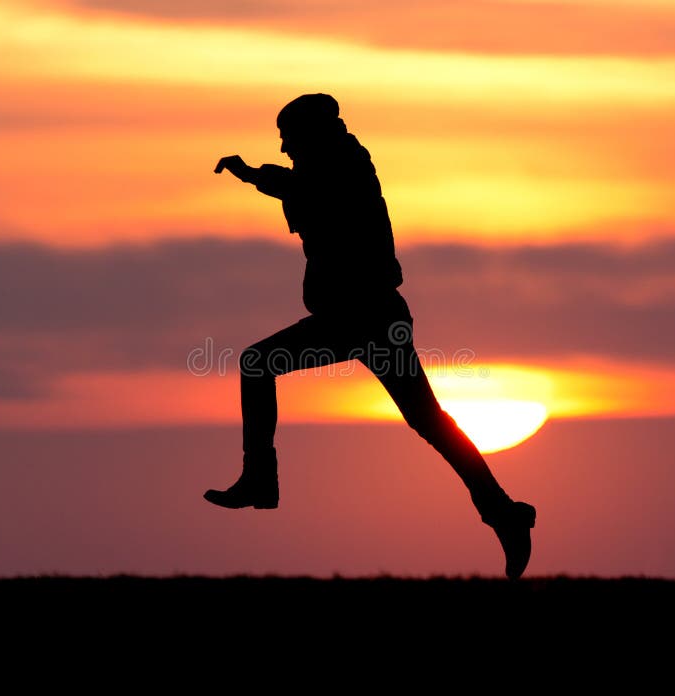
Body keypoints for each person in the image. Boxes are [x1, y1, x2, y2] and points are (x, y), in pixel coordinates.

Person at [206, 93, 536, 580]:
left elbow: (305, 191)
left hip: (365, 317)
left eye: (288, 136)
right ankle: (502, 511)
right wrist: (255, 175)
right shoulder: (329, 165)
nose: (283, 145)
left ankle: (259, 479)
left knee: (260, 364)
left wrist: (255, 174)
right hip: (360, 318)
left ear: (310, 133)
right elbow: (297, 187)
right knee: (428, 420)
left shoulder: (343, 165)